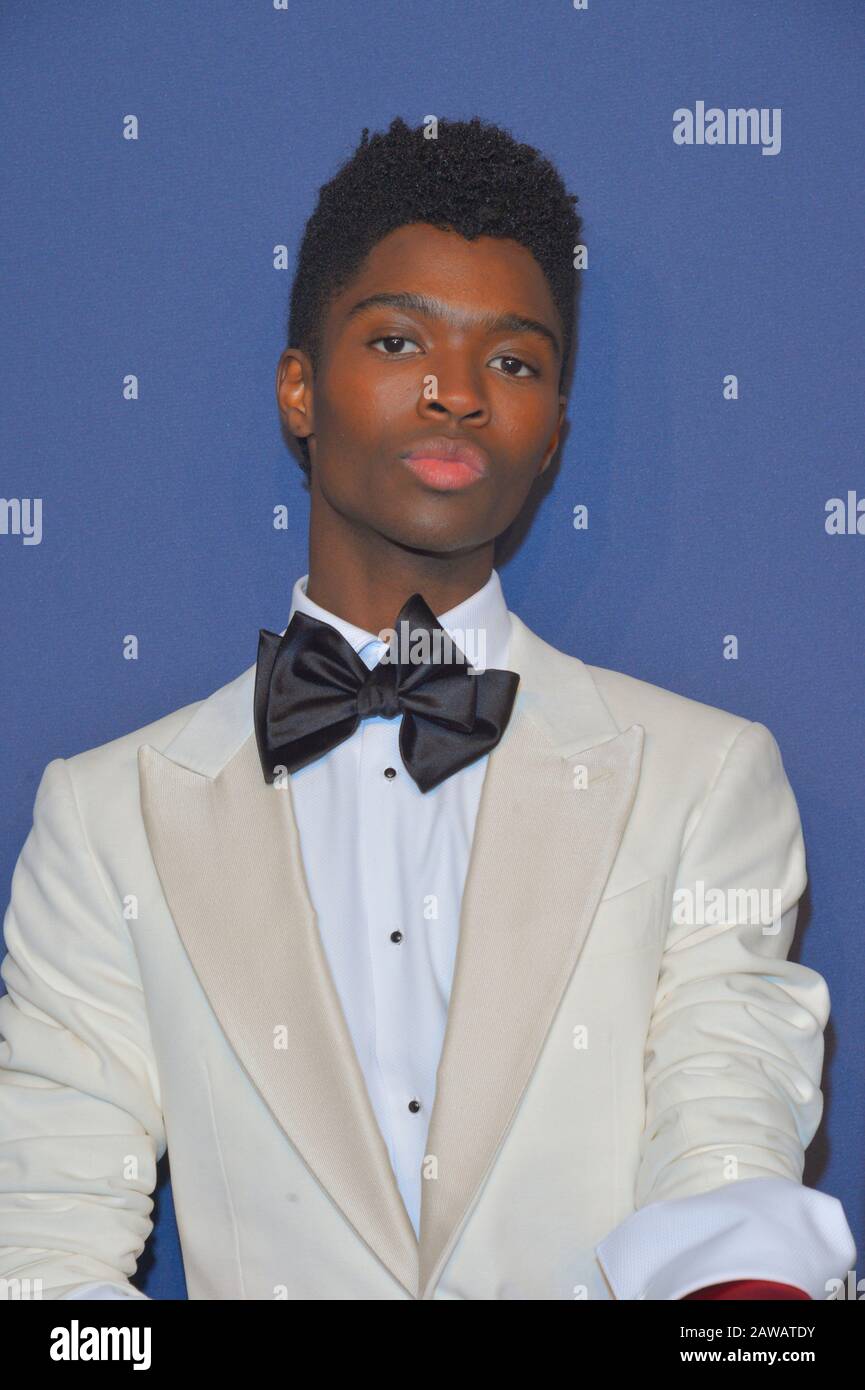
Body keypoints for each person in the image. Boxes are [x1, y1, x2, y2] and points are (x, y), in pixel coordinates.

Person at [0, 116, 855, 1301]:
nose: (455, 392)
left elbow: (725, 1168)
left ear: (553, 429)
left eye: (512, 361)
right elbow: (46, 1265)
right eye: (400, 340)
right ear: (300, 388)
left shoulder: (705, 778)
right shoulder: (108, 816)